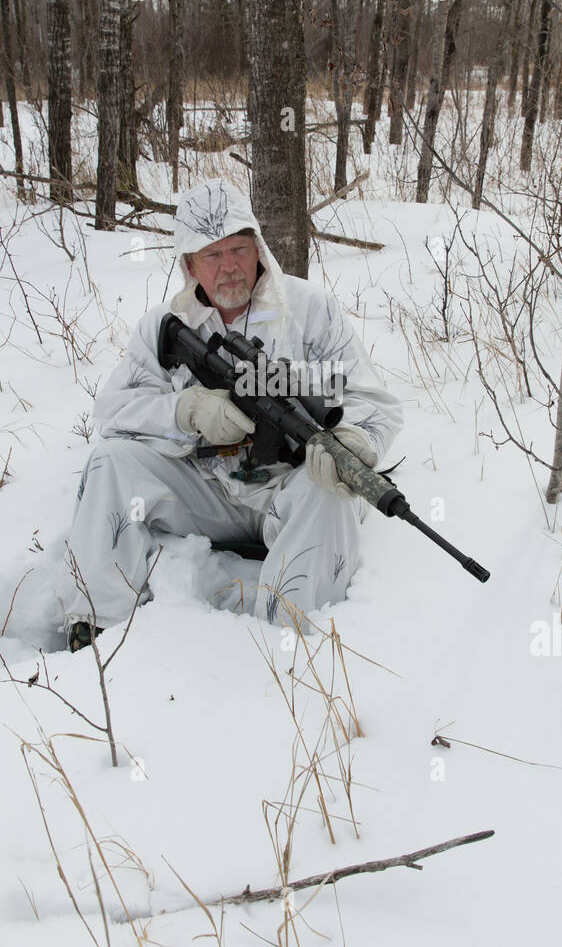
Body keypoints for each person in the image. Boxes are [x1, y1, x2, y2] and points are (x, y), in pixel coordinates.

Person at [57, 176, 403, 647]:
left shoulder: (310, 309)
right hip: (205, 490)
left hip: (287, 494)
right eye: (211, 256)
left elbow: (373, 401)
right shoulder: (165, 326)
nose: (229, 269)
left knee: (329, 489)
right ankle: (94, 628)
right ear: (189, 265)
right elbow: (113, 410)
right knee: (109, 461)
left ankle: (291, 648)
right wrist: (185, 411)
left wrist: (357, 441)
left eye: (238, 250)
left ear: (258, 247)